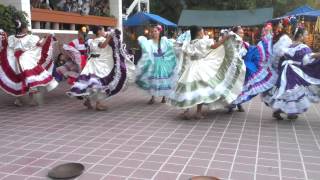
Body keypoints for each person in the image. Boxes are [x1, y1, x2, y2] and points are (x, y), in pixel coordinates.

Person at [169, 26, 246, 119]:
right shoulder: (202, 42)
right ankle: (198, 112)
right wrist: (224, 39)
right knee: (201, 90)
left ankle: (186, 111)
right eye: (202, 32)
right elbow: (215, 46)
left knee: (188, 89)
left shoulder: (189, 43)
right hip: (201, 67)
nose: (203, 33)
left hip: (190, 68)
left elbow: (187, 54)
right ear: (198, 33)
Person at [66, 26, 135, 110]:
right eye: (103, 30)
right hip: (97, 64)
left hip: (94, 62)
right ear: (99, 31)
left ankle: (88, 100)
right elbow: (102, 46)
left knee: (91, 83)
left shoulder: (92, 41)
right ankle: (98, 104)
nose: (104, 31)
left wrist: (112, 37)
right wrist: (110, 36)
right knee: (99, 82)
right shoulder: (99, 40)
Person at [263, 25, 320, 120]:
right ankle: (286, 112)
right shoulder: (303, 47)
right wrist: (317, 55)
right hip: (294, 72)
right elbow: (306, 60)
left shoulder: (287, 45)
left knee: (287, 91)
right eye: (305, 34)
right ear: (300, 35)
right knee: (293, 92)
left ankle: (288, 112)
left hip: (285, 71)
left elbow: (279, 58)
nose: (306, 36)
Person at [0, 20, 58, 106]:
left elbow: (6, 46)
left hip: (14, 61)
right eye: (26, 27)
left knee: (19, 80)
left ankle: (20, 100)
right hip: (26, 60)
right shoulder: (30, 38)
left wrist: (3, 35)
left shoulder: (12, 38)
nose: (27, 29)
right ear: (23, 29)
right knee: (30, 78)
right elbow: (41, 45)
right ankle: (34, 100)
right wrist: (48, 37)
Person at [229, 24, 277, 113]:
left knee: (242, 85)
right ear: (234, 33)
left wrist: (266, 40)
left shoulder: (245, 44)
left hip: (243, 68)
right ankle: (233, 104)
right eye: (240, 33)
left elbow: (254, 51)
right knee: (235, 86)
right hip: (233, 68)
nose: (241, 34)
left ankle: (237, 103)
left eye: (242, 33)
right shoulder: (231, 43)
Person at [136, 25, 178, 104]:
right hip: (153, 63)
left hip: (163, 63)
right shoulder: (149, 42)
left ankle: (164, 97)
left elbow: (171, 45)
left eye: (155, 31)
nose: (154, 33)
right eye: (152, 32)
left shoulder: (164, 40)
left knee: (164, 79)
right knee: (153, 80)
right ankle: (153, 97)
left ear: (159, 31)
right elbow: (145, 47)